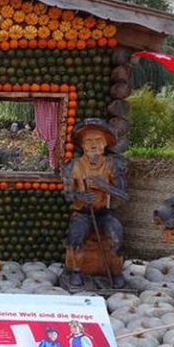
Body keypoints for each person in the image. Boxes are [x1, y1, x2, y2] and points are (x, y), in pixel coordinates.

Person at [61, 118, 128, 288]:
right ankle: (75, 272)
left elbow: (124, 196)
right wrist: (79, 196)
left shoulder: (112, 165)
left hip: (104, 215)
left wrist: (106, 187)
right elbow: (67, 194)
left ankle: (116, 273)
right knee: (75, 236)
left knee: (116, 235)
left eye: (98, 140)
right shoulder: (73, 166)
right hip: (82, 214)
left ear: (105, 144)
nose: (93, 145)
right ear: (82, 145)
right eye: (88, 141)